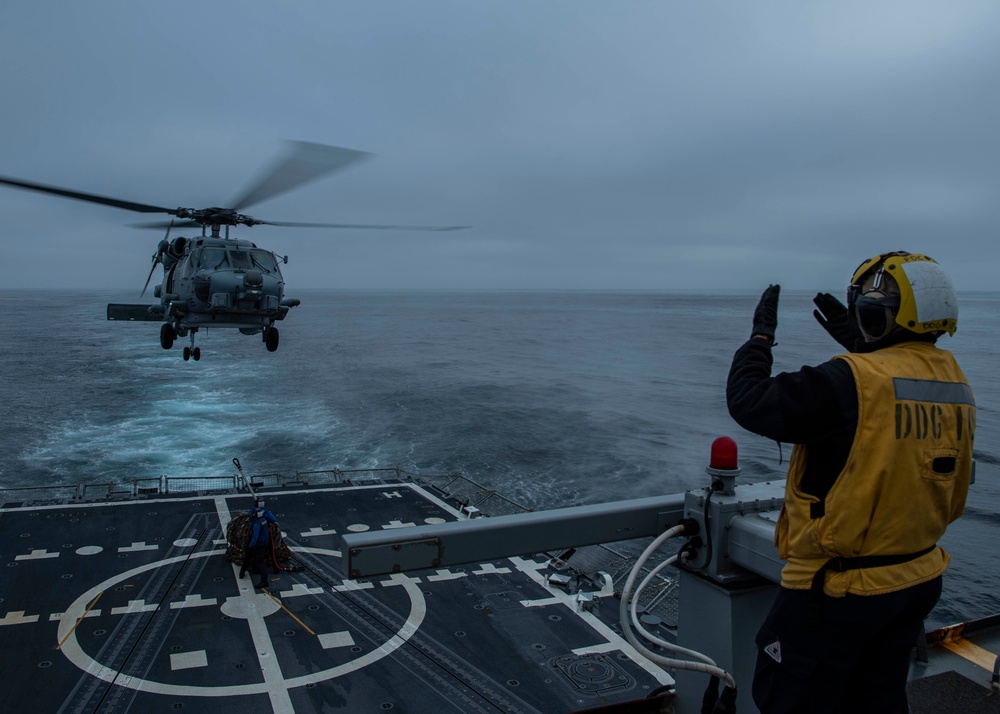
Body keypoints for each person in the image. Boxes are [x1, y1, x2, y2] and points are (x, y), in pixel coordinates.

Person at [726, 252, 975, 714]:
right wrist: (863, 344)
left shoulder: (850, 380)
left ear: (875, 316)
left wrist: (760, 338)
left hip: (838, 592)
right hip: (916, 578)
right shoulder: (953, 381)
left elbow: (749, 400)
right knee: (877, 700)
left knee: (791, 701)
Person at [239, 498, 278, 589]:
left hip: (258, 544)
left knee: (254, 559)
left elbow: (255, 537)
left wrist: (250, 546)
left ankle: (262, 580)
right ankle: (275, 568)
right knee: (271, 553)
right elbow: (273, 519)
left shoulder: (256, 524)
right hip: (265, 541)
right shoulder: (264, 518)